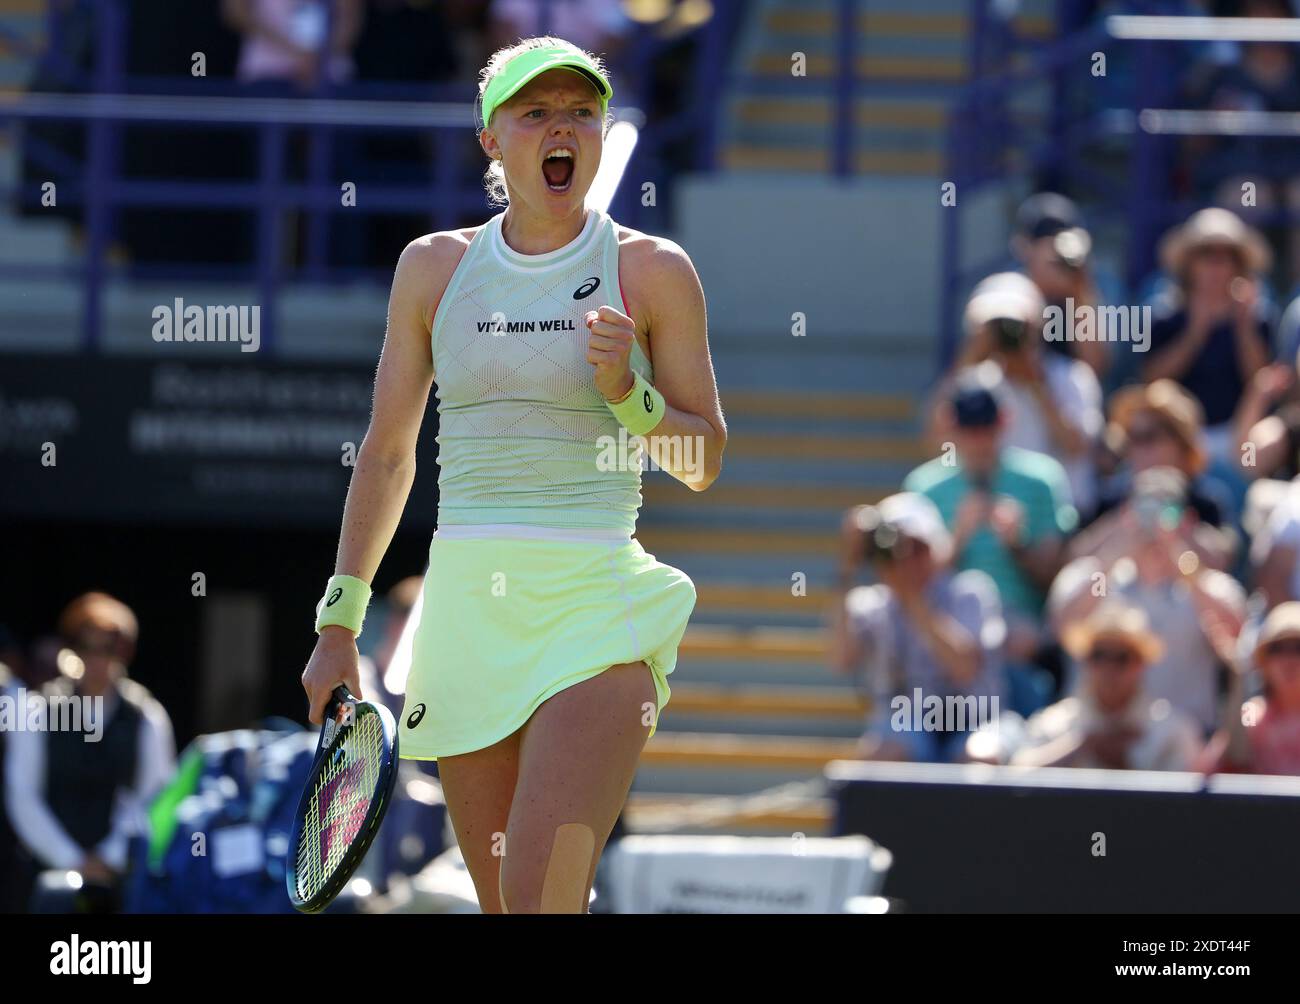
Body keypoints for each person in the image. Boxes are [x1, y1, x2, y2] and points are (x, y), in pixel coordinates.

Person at [300, 36, 725, 915]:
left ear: (601, 132)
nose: (561, 127)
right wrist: (339, 623)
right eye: (536, 112)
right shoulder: (432, 268)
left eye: (580, 111)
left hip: (596, 614)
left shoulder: (654, 271)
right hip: (465, 620)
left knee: (539, 902)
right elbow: (387, 452)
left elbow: (703, 464)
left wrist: (629, 395)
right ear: (493, 139)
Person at [3, 593, 176, 910]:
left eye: (108, 648)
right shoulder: (36, 710)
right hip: (44, 881)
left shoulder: (147, 717)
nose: (97, 659)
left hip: (120, 882)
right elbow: (21, 795)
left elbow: (155, 796)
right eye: (87, 647)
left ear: (124, 652)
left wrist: (109, 857)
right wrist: (70, 859)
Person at [1049, 466, 1247, 735]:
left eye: (1167, 513)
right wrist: (1114, 555)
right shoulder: (1092, 576)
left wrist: (1181, 561)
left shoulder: (1209, 584)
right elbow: (1064, 628)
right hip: (1093, 739)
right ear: (1127, 516)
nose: (1154, 525)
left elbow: (1236, 637)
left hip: (1183, 748)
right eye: (1144, 512)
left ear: (1187, 520)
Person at [908, 365, 1076, 679]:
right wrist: (957, 537)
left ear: (1004, 422)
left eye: (987, 426)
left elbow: (1054, 577)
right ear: (950, 425)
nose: (979, 439)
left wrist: (1018, 543)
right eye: (969, 428)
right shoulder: (923, 487)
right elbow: (911, 581)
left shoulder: (1042, 479)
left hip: (1022, 629)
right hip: (948, 623)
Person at [831, 492, 1006, 763]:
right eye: (896, 550)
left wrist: (912, 599)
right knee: (882, 757)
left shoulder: (970, 592)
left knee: (981, 758)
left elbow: (965, 669)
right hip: (904, 725)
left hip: (973, 719)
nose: (907, 559)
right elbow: (841, 659)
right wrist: (848, 564)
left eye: (918, 547)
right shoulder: (871, 604)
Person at [933, 271, 1103, 514]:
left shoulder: (1071, 377)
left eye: (1018, 326)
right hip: (989, 520)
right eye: (996, 326)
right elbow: (940, 442)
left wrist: (1037, 386)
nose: (1008, 334)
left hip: (1060, 516)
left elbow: (1078, 448)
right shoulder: (972, 381)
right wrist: (970, 356)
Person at [998, 603, 1202, 770]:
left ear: (1140, 664)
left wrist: (1122, 765)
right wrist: (1083, 745)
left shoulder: (1173, 730)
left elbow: (1179, 808)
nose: (1108, 667)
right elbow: (1017, 777)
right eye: (1098, 655)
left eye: (1121, 657)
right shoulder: (1056, 722)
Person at [1143, 208, 1274, 463]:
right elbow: (1153, 381)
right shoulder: (1165, 317)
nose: (1215, 267)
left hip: (1239, 436)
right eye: (1206, 256)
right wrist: (1194, 333)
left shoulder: (1258, 319)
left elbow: (1259, 383)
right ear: (1189, 265)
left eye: (1225, 258)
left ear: (1238, 267)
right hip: (1177, 438)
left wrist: (1243, 327)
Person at [1078, 378, 1237, 565]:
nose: (1138, 448)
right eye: (1133, 437)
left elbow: (1224, 562)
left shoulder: (1207, 501)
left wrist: (1181, 525)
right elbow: (1074, 561)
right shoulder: (1114, 498)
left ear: (1182, 443)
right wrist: (1124, 519)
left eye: (1149, 435)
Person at [1012, 192, 1110, 377]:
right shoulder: (1009, 293)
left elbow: (1095, 367)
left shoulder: (1082, 291)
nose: (1056, 256)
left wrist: (1079, 290)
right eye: (1046, 244)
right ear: (1025, 247)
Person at [1200, 600, 1300, 776]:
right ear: (1264, 663)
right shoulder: (1252, 714)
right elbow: (1215, 768)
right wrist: (1238, 675)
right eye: (1278, 649)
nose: (1289, 660)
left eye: (1298, 648)